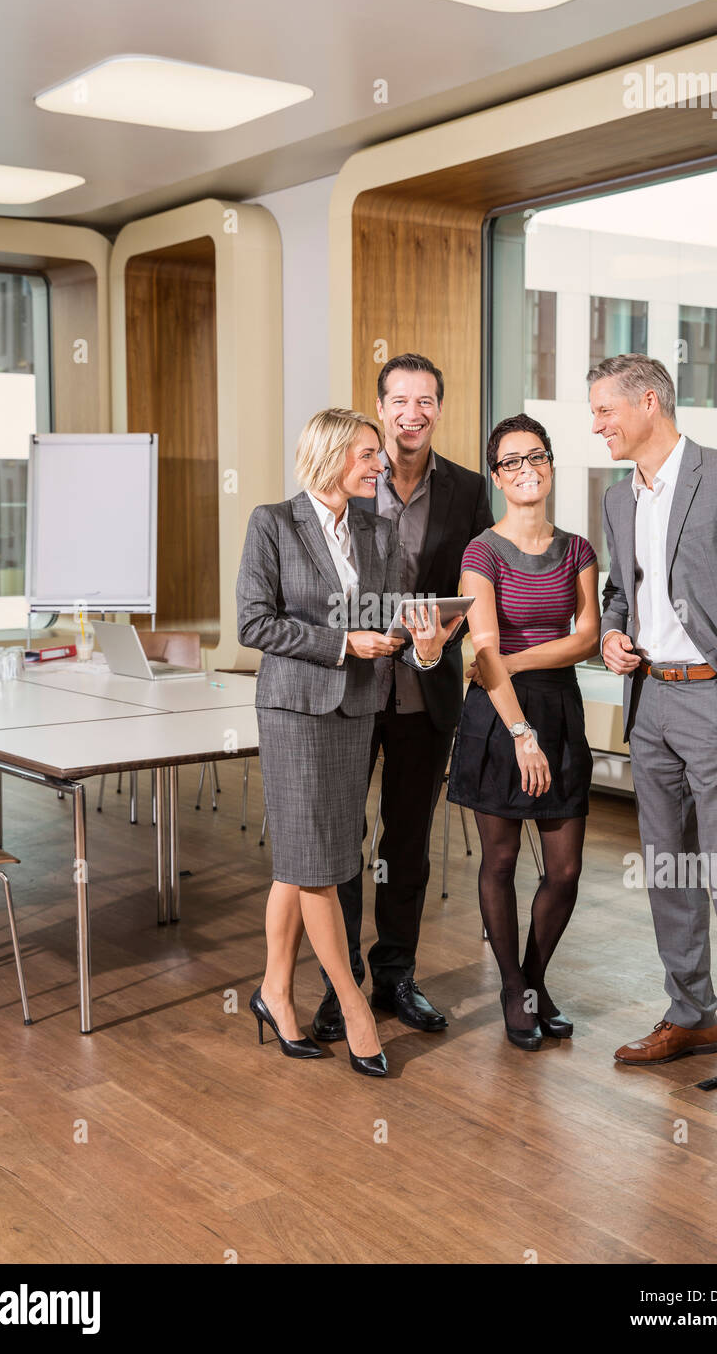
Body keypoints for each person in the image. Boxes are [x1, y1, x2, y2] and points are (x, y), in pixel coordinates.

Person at [592, 352, 717, 1122]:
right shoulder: (618, 498)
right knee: (669, 868)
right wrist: (612, 635)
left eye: (606, 410)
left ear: (649, 402)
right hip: (651, 706)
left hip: (713, 704)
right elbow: (620, 589)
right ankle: (691, 1015)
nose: (598, 425)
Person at [236, 408, 448, 1078]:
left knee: (301, 864)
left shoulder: (376, 530)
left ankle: (273, 991)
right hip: (295, 710)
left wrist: (420, 638)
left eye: (377, 456)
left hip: (357, 706)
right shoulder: (273, 523)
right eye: (367, 455)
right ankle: (355, 1008)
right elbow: (253, 621)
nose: (379, 466)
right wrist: (339, 644)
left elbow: (378, 618)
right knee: (321, 866)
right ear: (330, 455)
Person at [313, 353, 495, 1043]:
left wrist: (440, 635)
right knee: (341, 843)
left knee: (409, 842)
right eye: (400, 401)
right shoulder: (350, 478)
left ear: (438, 410)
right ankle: (343, 985)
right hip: (353, 684)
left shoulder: (468, 490)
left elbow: (470, 587)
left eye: (426, 401)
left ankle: (395, 974)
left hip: (426, 687)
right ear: (380, 406)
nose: (412, 413)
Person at [447, 414, 600, 1050]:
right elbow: (482, 649)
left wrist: (517, 657)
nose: (524, 469)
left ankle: (532, 981)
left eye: (534, 457)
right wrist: (520, 733)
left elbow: (587, 637)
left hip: (559, 707)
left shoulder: (577, 549)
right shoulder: (481, 552)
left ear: (551, 465)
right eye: (509, 462)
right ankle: (514, 989)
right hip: (498, 715)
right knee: (502, 859)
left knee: (564, 870)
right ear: (496, 476)